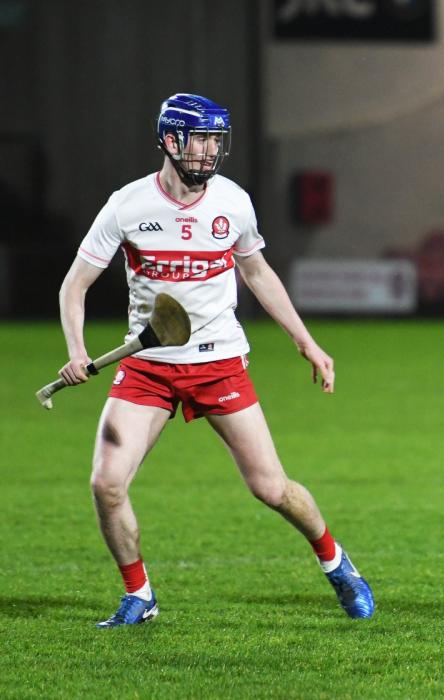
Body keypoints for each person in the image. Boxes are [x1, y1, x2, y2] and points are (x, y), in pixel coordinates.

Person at [56, 93, 373, 627]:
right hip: (148, 365)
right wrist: (77, 352)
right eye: (198, 139)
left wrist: (306, 341)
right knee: (106, 483)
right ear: (169, 140)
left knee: (271, 488)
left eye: (214, 140)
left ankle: (338, 564)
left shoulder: (233, 202)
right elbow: (75, 286)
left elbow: (257, 272)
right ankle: (140, 595)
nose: (208, 151)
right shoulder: (127, 205)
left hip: (219, 361)